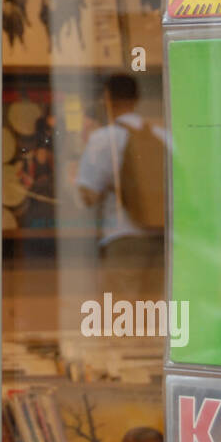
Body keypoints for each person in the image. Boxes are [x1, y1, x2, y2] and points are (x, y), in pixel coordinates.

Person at [77, 75, 170, 302]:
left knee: (121, 317)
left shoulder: (103, 139)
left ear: (106, 98)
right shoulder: (164, 137)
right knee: (154, 315)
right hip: (162, 236)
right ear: (137, 98)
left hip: (123, 237)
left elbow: (87, 196)